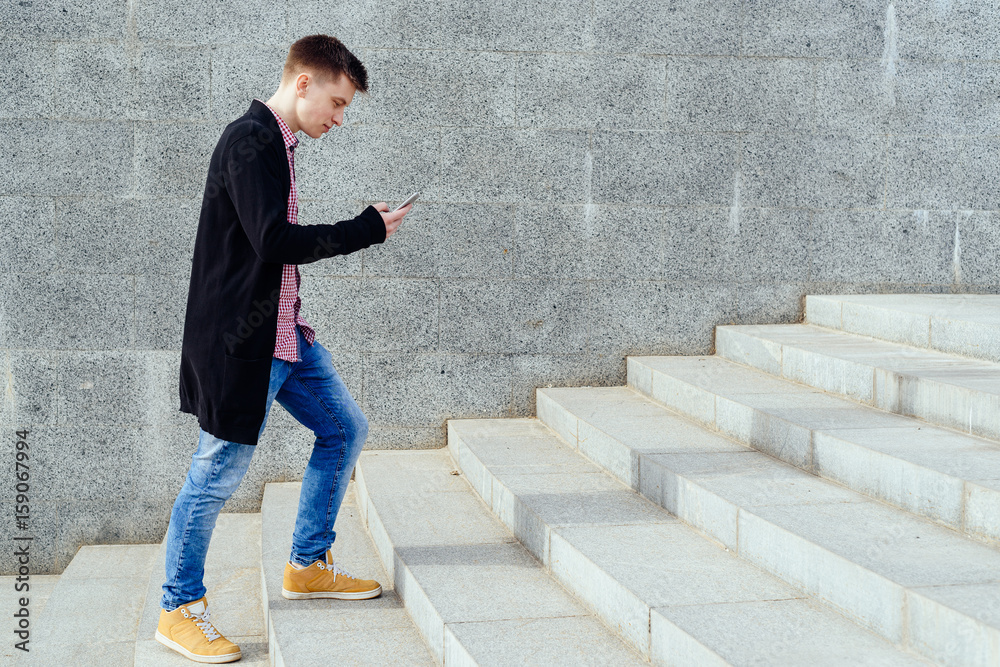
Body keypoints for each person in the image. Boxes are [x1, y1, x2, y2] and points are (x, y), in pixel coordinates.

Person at [155, 34, 412, 663]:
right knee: (216, 471)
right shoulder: (251, 141)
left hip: (284, 333)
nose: (340, 116)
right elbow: (274, 240)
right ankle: (178, 607)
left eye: (346, 107)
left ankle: (307, 564)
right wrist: (366, 228)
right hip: (242, 343)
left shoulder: (278, 144)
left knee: (344, 429)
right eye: (337, 100)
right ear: (304, 83)